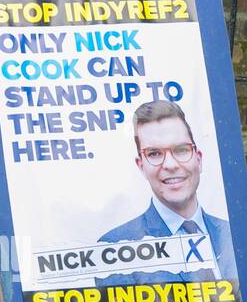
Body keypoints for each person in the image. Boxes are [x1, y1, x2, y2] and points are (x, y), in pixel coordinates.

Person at [96, 100, 236, 286]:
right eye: (154, 153)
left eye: (180, 150)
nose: (170, 165)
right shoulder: (115, 248)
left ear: (199, 159)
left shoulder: (232, 233)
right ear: (141, 166)